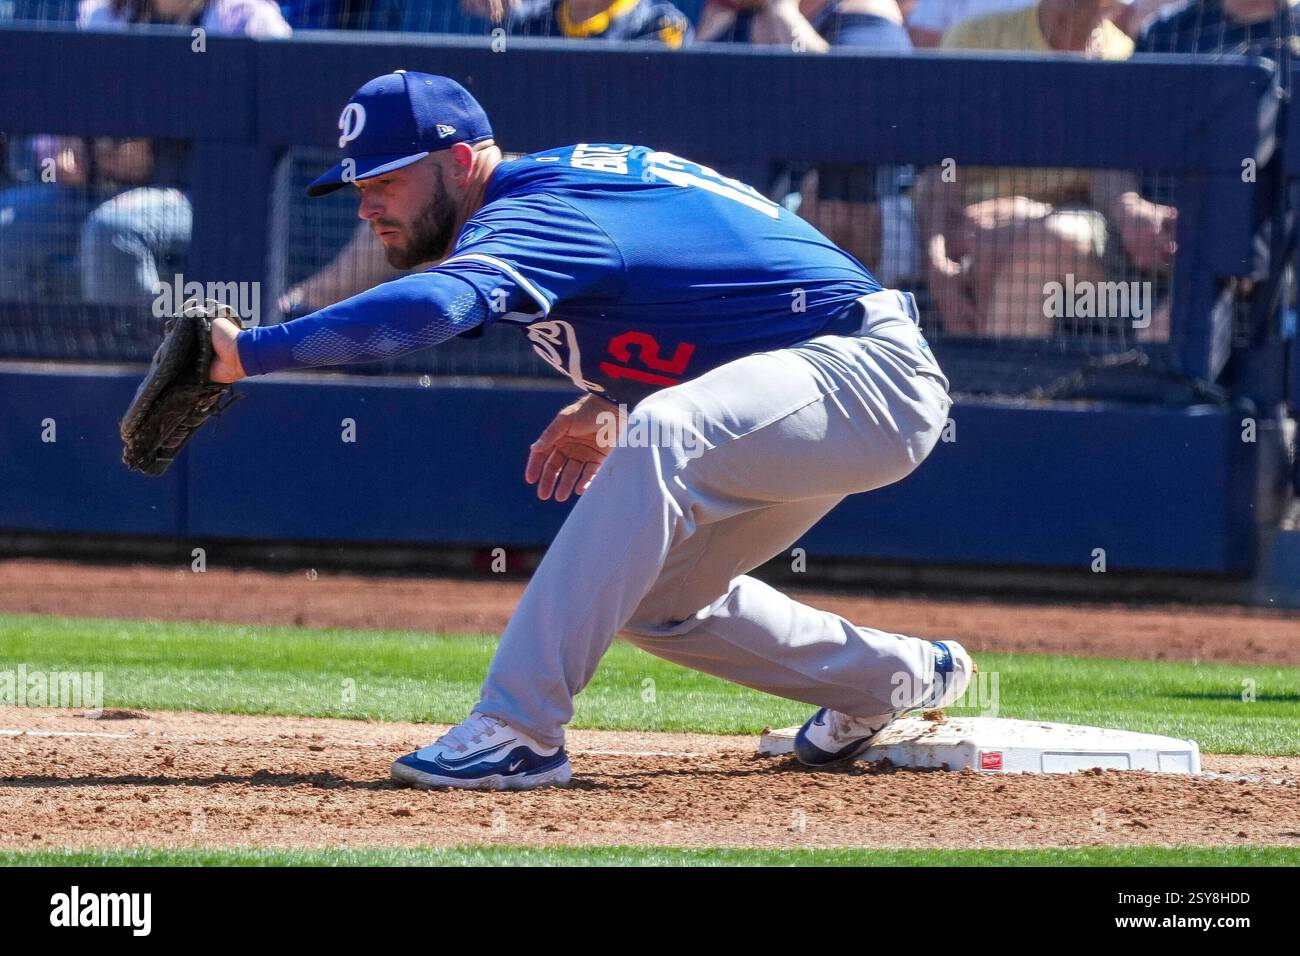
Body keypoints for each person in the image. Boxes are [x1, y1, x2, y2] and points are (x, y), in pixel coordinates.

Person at [209, 71, 974, 790]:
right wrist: (615, 395)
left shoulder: (538, 207)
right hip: (825, 383)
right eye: (359, 186)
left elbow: (431, 309)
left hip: (871, 372)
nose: (367, 205)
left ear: (462, 160)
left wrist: (250, 352)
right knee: (652, 599)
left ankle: (518, 729)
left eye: (386, 182)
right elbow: (719, 284)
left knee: (666, 430)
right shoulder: (554, 193)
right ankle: (894, 678)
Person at [913, 0, 1176, 338]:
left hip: (1069, 232)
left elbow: (1110, 176)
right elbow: (941, 168)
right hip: (960, 222)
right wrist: (937, 259)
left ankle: (997, 385)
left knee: (1030, 243)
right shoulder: (977, 37)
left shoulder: (1124, 56)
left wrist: (1027, 216)